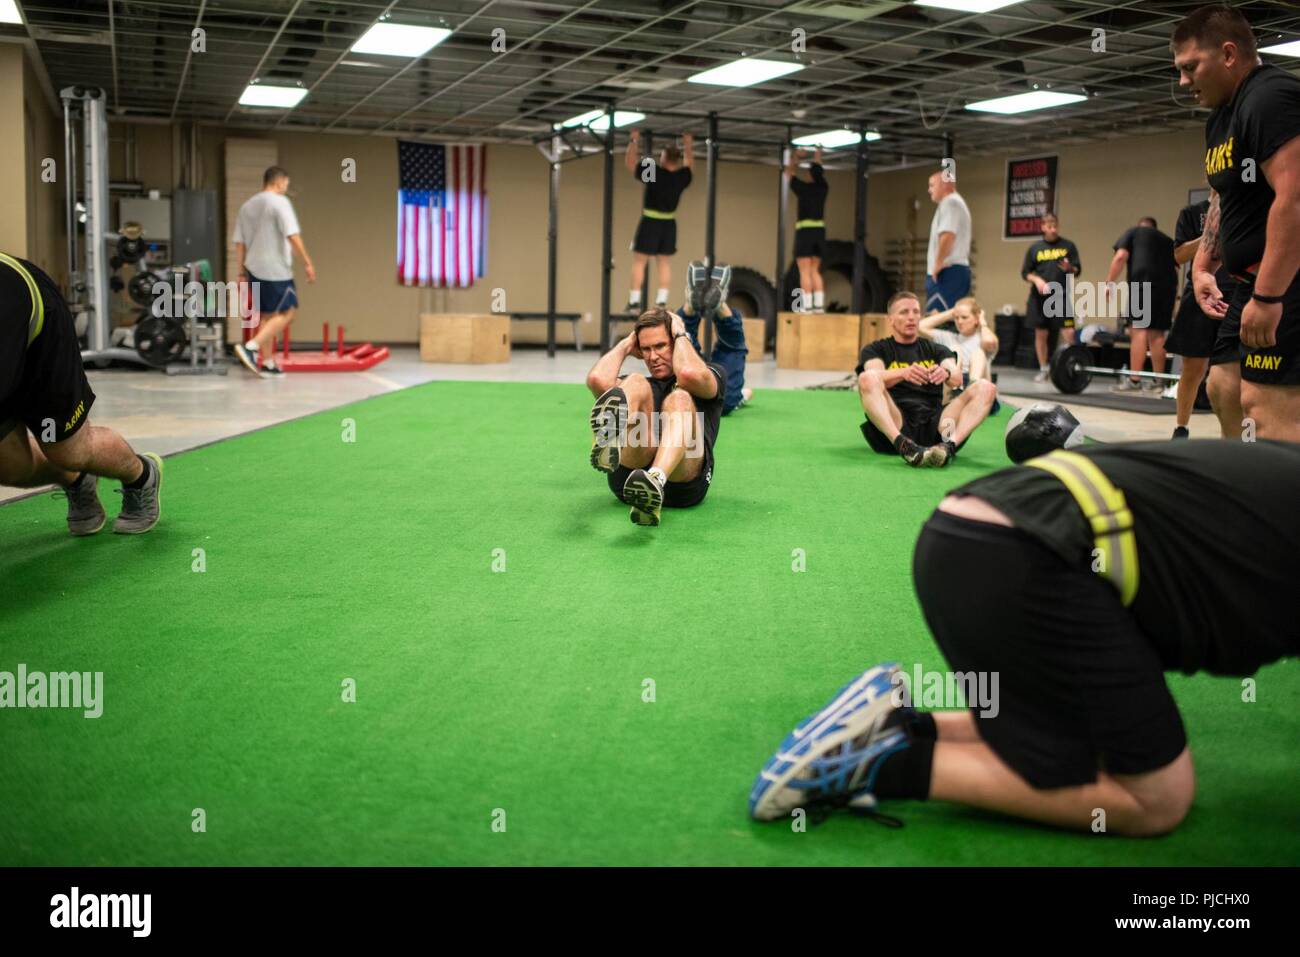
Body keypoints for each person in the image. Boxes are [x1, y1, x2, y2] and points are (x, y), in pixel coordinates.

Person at [750, 439, 1300, 835]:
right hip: (1028, 556)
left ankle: (897, 725)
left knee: (1093, 736)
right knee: (1155, 798)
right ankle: (878, 767)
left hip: (971, 528)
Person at [1175, 3, 1300, 442]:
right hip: (1245, 281)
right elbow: (1224, 194)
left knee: (1268, 410)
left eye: (1191, 67)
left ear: (1228, 55)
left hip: (1287, 281)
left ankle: (1276, 504)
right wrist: (1204, 265)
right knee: (1224, 388)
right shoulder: (1221, 119)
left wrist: (1269, 296)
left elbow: (1295, 197)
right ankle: (1243, 486)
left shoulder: (1269, 98)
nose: (1183, 81)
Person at [0, 252, 162, 534]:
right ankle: (76, 479)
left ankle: (140, 477)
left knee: (69, 450)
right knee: (9, 466)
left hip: (37, 324)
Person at [585, 308, 725, 527]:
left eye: (660, 346)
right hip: (628, 480)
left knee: (679, 398)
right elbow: (597, 380)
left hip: (682, 485)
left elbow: (689, 373)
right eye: (646, 349)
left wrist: (680, 333)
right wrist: (627, 343)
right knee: (634, 382)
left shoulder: (710, 374)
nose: (653, 356)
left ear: (676, 343)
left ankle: (656, 480)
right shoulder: (644, 386)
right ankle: (609, 437)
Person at [856, 291, 996, 468]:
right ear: (890, 319)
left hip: (938, 428)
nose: (911, 317)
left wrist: (945, 372)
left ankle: (949, 446)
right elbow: (874, 377)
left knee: (986, 388)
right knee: (866, 378)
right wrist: (903, 373)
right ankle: (903, 445)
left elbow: (956, 377)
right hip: (895, 424)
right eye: (904, 312)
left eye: (916, 312)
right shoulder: (876, 349)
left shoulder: (936, 349)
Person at [232, 166, 316, 378]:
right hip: (275, 268)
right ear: (279, 182)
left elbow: (239, 243)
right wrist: (307, 262)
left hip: (253, 268)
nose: (286, 189)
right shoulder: (280, 202)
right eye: (286, 185)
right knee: (289, 312)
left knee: (269, 316)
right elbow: (293, 235)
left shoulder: (246, 206)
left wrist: (240, 271)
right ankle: (251, 347)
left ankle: (268, 362)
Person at [1166, 197, 1238, 437]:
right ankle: (1181, 428)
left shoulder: (1243, 204)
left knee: (1234, 371)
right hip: (1200, 292)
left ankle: (1234, 437)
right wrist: (1210, 234)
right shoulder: (1191, 213)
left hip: (1238, 291)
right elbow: (1178, 256)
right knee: (1193, 368)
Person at [1104, 217, 1178, 394]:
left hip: (1143, 284)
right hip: (1167, 288)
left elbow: (1121, 256)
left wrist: (1109, 282)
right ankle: (1159, 382)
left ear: (1140, 226)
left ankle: (1134, 380)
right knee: (1157, 333)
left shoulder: (1133, 232)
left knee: (1138, 330)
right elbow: (1176, 269)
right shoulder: (1168, 241)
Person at [625, 130, 694, 314]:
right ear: (677, 160)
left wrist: (634, 140)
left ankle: (634, 301)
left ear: (663, 158)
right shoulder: (682, 177)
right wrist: (688, 144)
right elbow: (689, 165)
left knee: (640, 261)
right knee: (664, 263)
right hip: (669, 224)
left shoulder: (653, 171)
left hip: (650, 221)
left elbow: (631, 164)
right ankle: (662, 301)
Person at [677, 260, 752, 413]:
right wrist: (743, 395)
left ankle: (699, 304)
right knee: (684, 343)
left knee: (730, 348)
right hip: (702, 389)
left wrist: (743, 394)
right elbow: (749, 393)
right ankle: (702, 305)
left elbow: (749, 392)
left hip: (697, 387)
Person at [1020, 213, 1082, 382]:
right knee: (1041, 334)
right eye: (1049, 226)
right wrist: (1037, 280)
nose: (1053, 229)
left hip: (1061, 296)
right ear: (1043, 227)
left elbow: (1077, 270)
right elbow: (1025, 273)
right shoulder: (1035, 248)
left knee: (1069, 330)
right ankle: (1043, 368)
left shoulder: (1068, 246)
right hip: (1039, 299)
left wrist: (1070, 268)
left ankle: (1070, 365)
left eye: (1055, 225)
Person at [918, 296, 998, 389]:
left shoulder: (983, 338)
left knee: (978, 354)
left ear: (976, 319)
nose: (959, 321)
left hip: (979, 387)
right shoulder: (948, 337)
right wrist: (950, 312)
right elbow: (919, 327)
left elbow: (990, 342)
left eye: (964, 317)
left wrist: (982, 322)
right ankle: (958, 390)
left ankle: (972, 388)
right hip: (954, 386)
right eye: (956, 318)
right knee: (954, 349)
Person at [785, 147, 828, 313]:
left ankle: (807, 306)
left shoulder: (803, 189)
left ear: (809, 175)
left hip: (805, 232)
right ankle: (818, 306)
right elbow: (818, 170)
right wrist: (818, 153)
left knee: (804, 271)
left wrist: (795, 158)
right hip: (820, 233)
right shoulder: (824, 187)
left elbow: (789, 174)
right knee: (815, 270)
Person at [924, 170, 972, 314]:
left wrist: (937, 263)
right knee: (945, 320)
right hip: (951, 272)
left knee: (938, 320)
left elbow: (948, 235)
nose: (929, 190)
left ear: (945, 184)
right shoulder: (953, 203)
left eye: (932, 185)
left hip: (947, 272)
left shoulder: (950, 203)